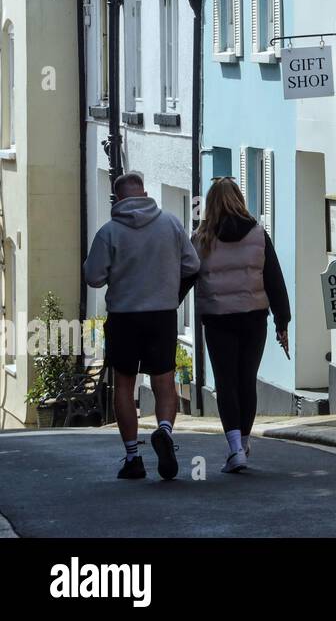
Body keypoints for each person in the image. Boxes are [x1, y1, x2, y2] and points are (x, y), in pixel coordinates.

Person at [83, 171, 200, 481]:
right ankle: (164, 430)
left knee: (124, 384)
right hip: (162, 313)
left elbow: (93, 277)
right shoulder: (171, 224)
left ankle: (133, 457)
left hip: (124, 316)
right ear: (146, 193)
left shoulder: (109, 232)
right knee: (164, 381)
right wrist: (169, 286)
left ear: (118, 199)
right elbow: (193, 265)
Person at [191, 177, 290, 473]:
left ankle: (235, 448)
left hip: (218, 319)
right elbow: (274, 279)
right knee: (247, 380)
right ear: (238, 199)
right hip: (253, 318)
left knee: (225, 382)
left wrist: (165, 306)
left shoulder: (202, 238)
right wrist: (281, 321)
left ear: (211, 204)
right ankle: (244, 443)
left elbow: (185, 277)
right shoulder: (258, 234)